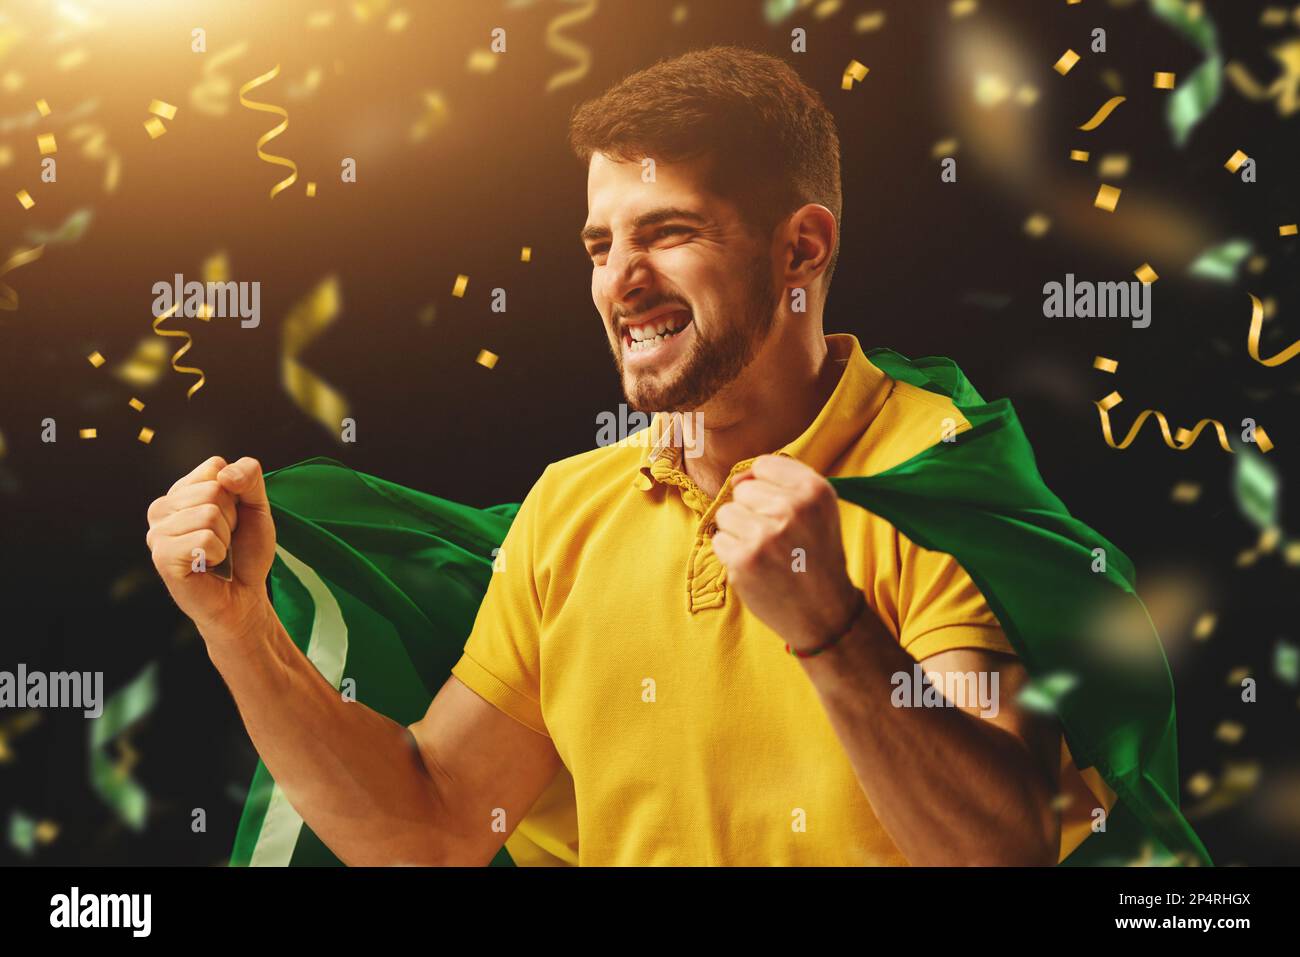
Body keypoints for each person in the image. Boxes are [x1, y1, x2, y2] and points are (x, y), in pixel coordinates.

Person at [147, 46, 1080, 865]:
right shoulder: (571, 506)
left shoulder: (934, 481)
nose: (622, 284)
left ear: (801, 249)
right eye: (601, 245)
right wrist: (239, 628)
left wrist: (832, 630)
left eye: (668, 232)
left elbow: (1004, 854)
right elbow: (430, 832)